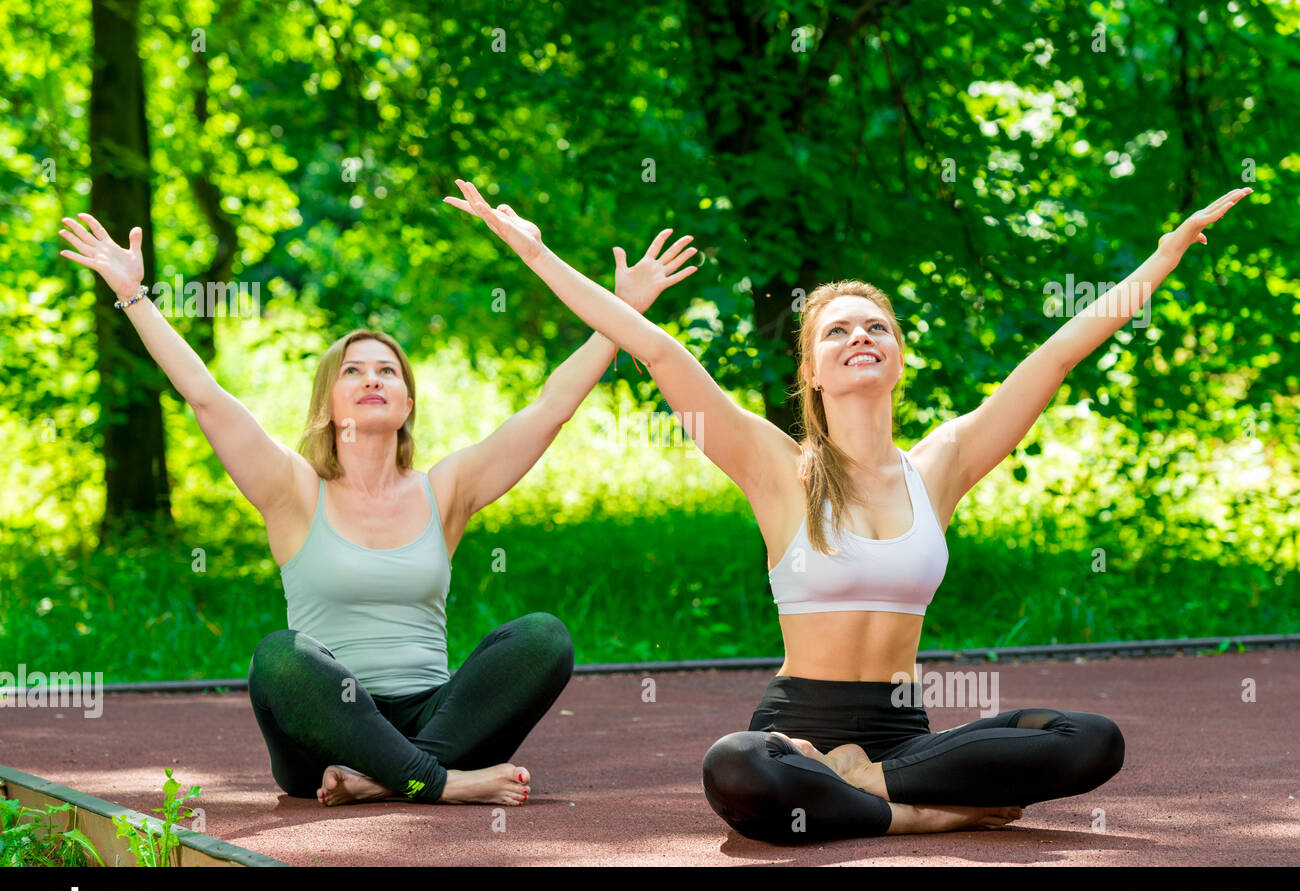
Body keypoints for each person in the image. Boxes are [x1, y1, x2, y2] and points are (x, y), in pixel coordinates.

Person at [444, 177, 1252, 841]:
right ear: (814, 371)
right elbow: (655, 346)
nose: (860, 335)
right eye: (838, 331)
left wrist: (1161, 257)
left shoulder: (941, 464)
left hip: (904, 735)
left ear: (899, 356)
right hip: (796, 726)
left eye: (877, 326)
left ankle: (870, 800)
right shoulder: (774, 467)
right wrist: (534, 249)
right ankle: (924, 817)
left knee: (1091, 741)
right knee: (737, 766)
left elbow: (1059, 353)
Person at [58, 211, 697, 806]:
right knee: (279, 656)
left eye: (387, 372)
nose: (372, 380)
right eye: (354, 371)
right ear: (328, 404)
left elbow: (550, 406)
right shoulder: (293, 488)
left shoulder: (446, 489)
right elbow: (204, 394)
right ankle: (438, 783)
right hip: (325, 732)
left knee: (543, 637)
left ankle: (392, 779)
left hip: (433, 715)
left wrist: (622, 316)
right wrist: (132, 296)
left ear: (407, 402)